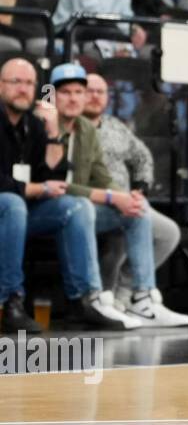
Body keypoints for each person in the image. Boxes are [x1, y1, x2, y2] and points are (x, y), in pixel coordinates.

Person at [50, 63, 185, 326]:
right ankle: (100, 297)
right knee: (89, 212)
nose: (89, 97)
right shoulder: (51, 125)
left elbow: (139, 158)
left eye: (95, 92)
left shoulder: (107, 127)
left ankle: (139, 297)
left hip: (110, 198)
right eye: (74, 92)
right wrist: (114, 198)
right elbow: (63, 184)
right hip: (75, 203)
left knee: (146, 217)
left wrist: (135, 194)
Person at [0, 57, 130, 331]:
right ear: (1, 86)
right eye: (15, 82)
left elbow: (55, 181)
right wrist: (33, 189)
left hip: (25, 211)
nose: (23, 89)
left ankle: (83, 300)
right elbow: (33, 186)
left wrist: (53, 134)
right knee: (13, 203)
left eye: (29, 83)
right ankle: (10, 300)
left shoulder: (34, 126)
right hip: (9, 206)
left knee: (76, 206)